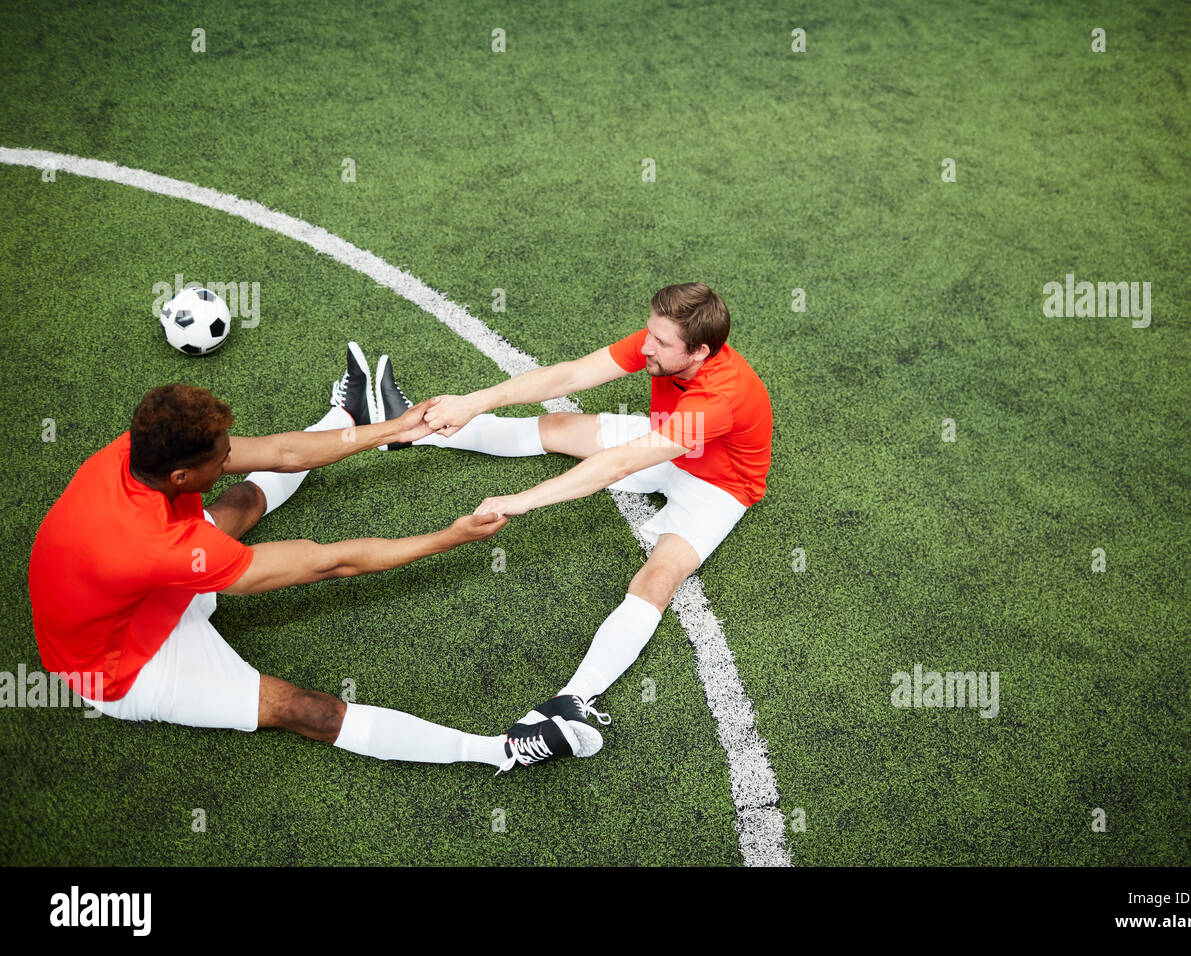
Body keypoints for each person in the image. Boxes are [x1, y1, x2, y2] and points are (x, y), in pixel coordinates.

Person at [28, 344, 605, 771]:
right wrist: (450, 536)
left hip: (140, 590)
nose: (231, 456)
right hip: (118, 666)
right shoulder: (161, 545)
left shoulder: (136, 451)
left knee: (242, 500)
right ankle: (500, 751)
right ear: (180, 475)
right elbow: (329, 563)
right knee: (308, 711)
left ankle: (348, 412)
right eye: (221, 456)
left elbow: (280, 452)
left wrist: (391, 429)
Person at [378, 283, 773, 770]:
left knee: (658, 578)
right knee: (560, 426)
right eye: (649, 332)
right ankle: (407, 429)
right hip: (670, 440)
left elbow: (619, 464)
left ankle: (571, 701)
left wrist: (524, 500)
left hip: (719, 485)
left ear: (699, 353)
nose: (646, 346)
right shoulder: (663, 344)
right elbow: (569, 375)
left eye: (660, 342)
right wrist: (473, 401)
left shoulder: (719, 399)